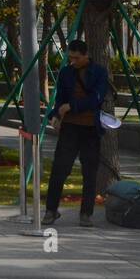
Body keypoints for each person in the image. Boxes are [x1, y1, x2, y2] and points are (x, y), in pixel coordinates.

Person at [43, 39, 109, 228]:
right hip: (70, 127)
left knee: (90, 172)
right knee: (59, 169)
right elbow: (61, 98)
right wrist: (56, 115)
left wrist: (71, 106)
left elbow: (96, 98)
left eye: (76, 58)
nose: (73, 61)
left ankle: (86, 213)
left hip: (90, 129)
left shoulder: (99, 73)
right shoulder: (66, 73)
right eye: (70, 57)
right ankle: (50, 210)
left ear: (86, 55)